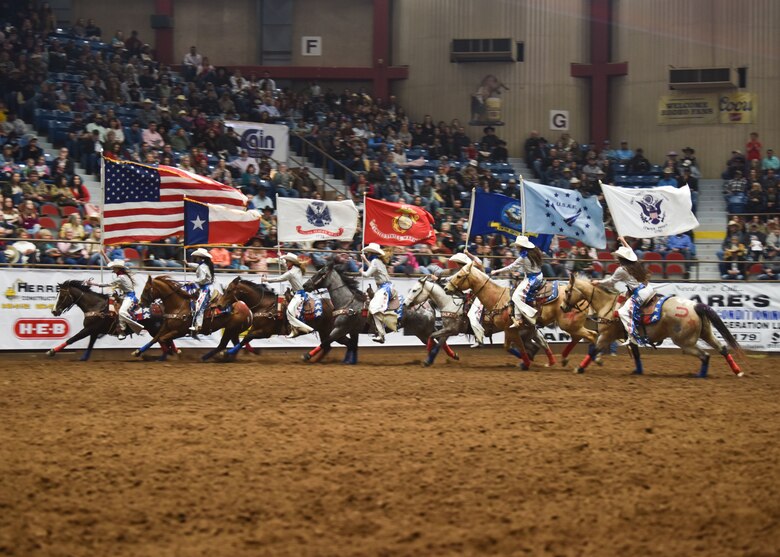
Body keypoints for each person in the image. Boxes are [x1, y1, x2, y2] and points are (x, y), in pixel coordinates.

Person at [593, 236, 654, 346]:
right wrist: (623, 240)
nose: (616, 259)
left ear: (621, 259)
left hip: (640, 293)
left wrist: (598, 282)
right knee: (623, 295)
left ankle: (633, 337)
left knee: (623, 312)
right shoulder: (634, 261)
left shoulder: (621, 270)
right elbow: (629, 249)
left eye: (618, 257)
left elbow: (611, 282)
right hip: (648, 288)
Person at [490, 235, 543, 327]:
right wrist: (521, 273)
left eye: (517, 245)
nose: (516, 247)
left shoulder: (524, 256)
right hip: (537, 275)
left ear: (520, 246)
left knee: (516, 296)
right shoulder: (533, 252)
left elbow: (511, 267)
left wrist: (496, 271)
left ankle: (521, 318)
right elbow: (529, 266)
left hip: (532, 279)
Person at [87, 260, 144, 339]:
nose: (112, 269)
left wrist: (92, 283)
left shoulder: (121, 278)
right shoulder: (122, 275)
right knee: (109, 306)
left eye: (114, 267)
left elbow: (107, 284)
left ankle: (123, 331)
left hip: (129, 297)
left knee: (121, 312)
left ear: (118, 268)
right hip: (123, 296)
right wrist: (104, 255)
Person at [265, 253, 315, 338]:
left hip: (299, 294)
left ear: (291, 262)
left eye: (288, 261)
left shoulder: (291, 272)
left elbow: (279, 278)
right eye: (286, 261)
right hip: (295, 293)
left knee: (289, 311)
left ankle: (297, 329)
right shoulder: (295, 268)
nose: (286, 262)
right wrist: (280, 256)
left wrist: (266, 279)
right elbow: (285, 265)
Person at [445, 251, 486, 348]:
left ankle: (478, 337)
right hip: (472, 294)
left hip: (480, 294)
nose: (456, 265)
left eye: (457, 263)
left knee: (473, 314)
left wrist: (468, 254)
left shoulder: (471, 269)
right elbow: (452, 278)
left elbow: (479, 262)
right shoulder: (464, 270)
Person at [361, 243, 393, 343]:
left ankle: (381, 334)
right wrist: (365, 260)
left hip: (384, 288)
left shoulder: (375, 261)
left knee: (374, 308)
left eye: (368, 253)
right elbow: (373, 269)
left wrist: (361, 271)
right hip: (386, 287)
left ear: (371, 252)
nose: (367, 254)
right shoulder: (378, 261)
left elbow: (367, 274)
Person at [185, 248, 214, 338]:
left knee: (199, 306)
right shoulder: (203, 265)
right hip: (205, 287)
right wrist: (187, 264)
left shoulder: (202, 267)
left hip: (205, 289)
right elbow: (196, 266)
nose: (196, 258)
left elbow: (201, 278)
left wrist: (193, 281)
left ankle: (198, 326)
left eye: (197, 257)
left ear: (200, 258)